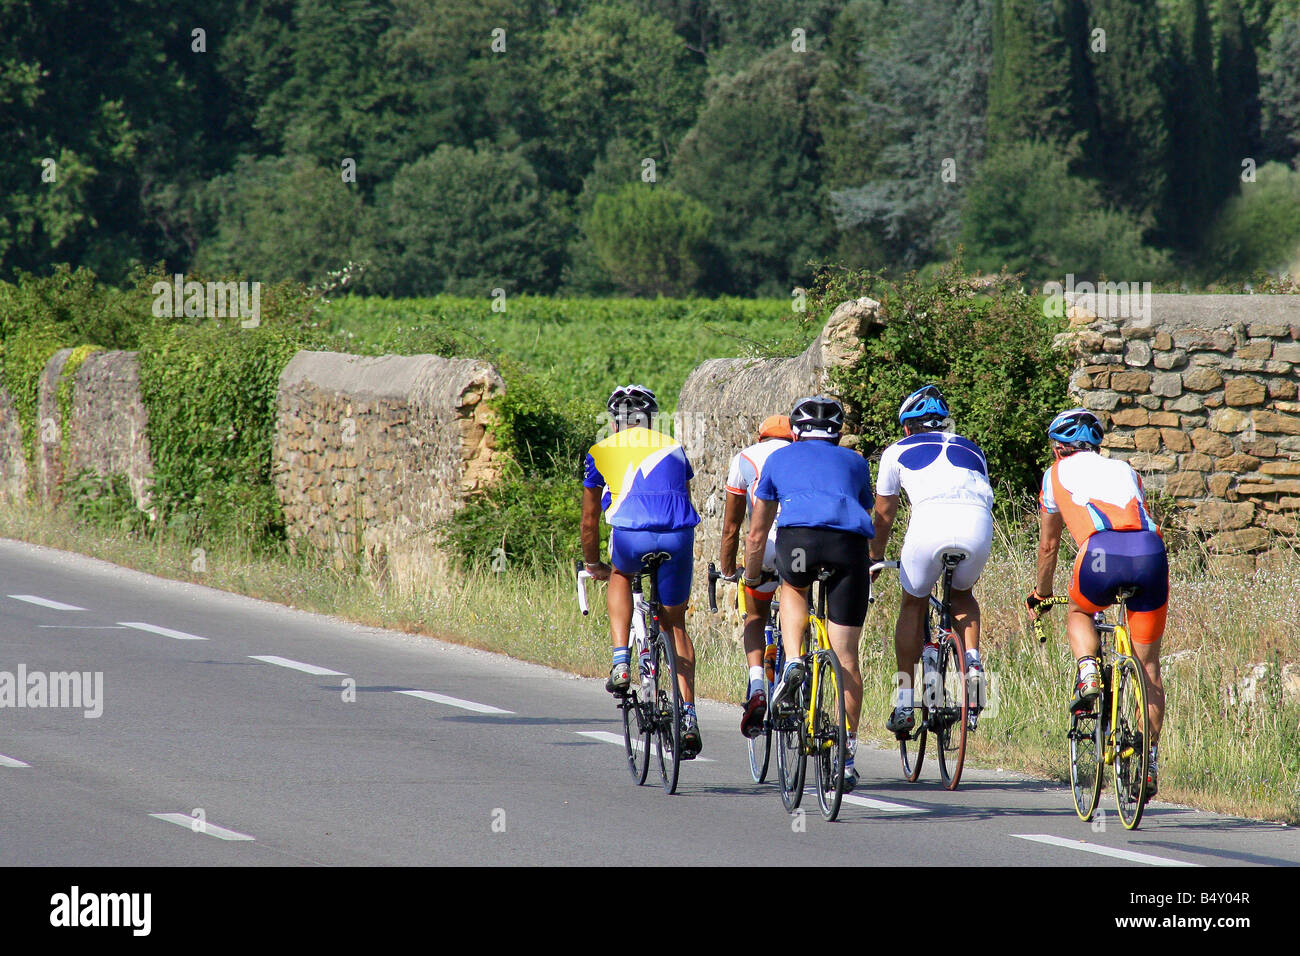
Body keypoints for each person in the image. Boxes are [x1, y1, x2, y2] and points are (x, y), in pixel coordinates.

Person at [1026, 408, 1167, 800]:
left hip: (1099, 553)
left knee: (1080, 611)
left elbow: (1049, 544)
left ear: (1058, 449)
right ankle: (1148, 761)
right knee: (1149, 667)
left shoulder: (1054, 475)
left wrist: (1041, 594)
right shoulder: (1125, 469)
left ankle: (1089, 670)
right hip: (1149, 553)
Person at [745, 396, 874, 791]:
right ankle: (847, 755)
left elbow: (757, 533)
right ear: (837, 433)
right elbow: (865, 506)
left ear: (796, 431)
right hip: (848, 548)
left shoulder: (779, 460)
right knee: (846, 655)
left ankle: (795, 661)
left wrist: (752, 577)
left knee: (794, 587)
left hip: (799, 542)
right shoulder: (856, 462)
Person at [580, 385, 704, 757]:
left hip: (632, 538)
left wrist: (592, 564)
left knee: (619, 575)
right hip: (677, 538)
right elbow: (679, 492)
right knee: (675, 625)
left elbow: (589, 522)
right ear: (650, 418)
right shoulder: (673, 446)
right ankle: (689, 718)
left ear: (614, 421)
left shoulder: (600, 452)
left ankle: (621, 661)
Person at [869, 385, 994, 735]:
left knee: (913, 604)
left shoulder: (895, 452)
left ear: (908, 427)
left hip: (930, 525)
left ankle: (906, 701)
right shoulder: (973, 448)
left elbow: (884, 514)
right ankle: (972, 663)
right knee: (963, 596)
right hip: (977, 524)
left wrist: (874, 557)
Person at [719, 415, 794, 738]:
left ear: (759, 436)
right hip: (799, 545)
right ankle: (796, 669)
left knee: (756, 615)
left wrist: (726, 568)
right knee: (798, 603)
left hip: (762, 548)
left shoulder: (744, 458)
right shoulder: (801, 455)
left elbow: (732, 526)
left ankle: (757, 687)